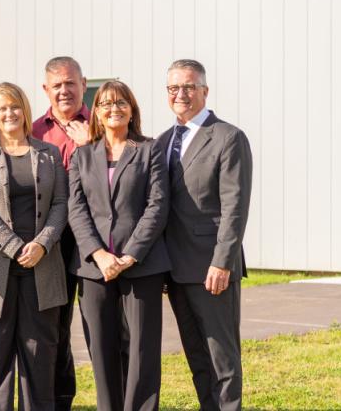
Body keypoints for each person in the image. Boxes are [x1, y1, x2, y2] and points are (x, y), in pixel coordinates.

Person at [0, 82, 69, 411]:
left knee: (40, 357)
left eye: (15, 106)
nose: (9, 113)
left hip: (42, 268)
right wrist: (15, 247)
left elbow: (61, 204)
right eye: (2, 108)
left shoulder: (48, 154)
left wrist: (42, 244)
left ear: (24, 109)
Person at [68, 81, 170, 411]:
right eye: (106, 103)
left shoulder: (150, 150)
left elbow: (157, 205)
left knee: (142, 351)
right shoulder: (82, 155)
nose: (114, 109)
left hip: (142, 266)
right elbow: (76, 209)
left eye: (122, 102)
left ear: (132, 109)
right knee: (101, 349)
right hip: (94, 270)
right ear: (96, 112)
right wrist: (99, 255)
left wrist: (130, 256)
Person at [156, 59, 252, 411]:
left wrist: (222, 262)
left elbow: (235, 207)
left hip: (212, 268)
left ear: (204, 91)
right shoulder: (163, 141)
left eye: (188, 87)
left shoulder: (228, 137)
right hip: (175, 269)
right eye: (173, 88)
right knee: (197, 357)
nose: (180, 94)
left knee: (222, 358)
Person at [31, 56, 90, 410]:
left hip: (96, 239)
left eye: (70, 83)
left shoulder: (102, 124)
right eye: (57, 85)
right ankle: (60, 398)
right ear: (45, 89)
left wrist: (91, 146)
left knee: (102, 324)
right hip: (53, 239)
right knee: (55, 324)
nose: (64, 90)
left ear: (83, 84)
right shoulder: (34, 131)